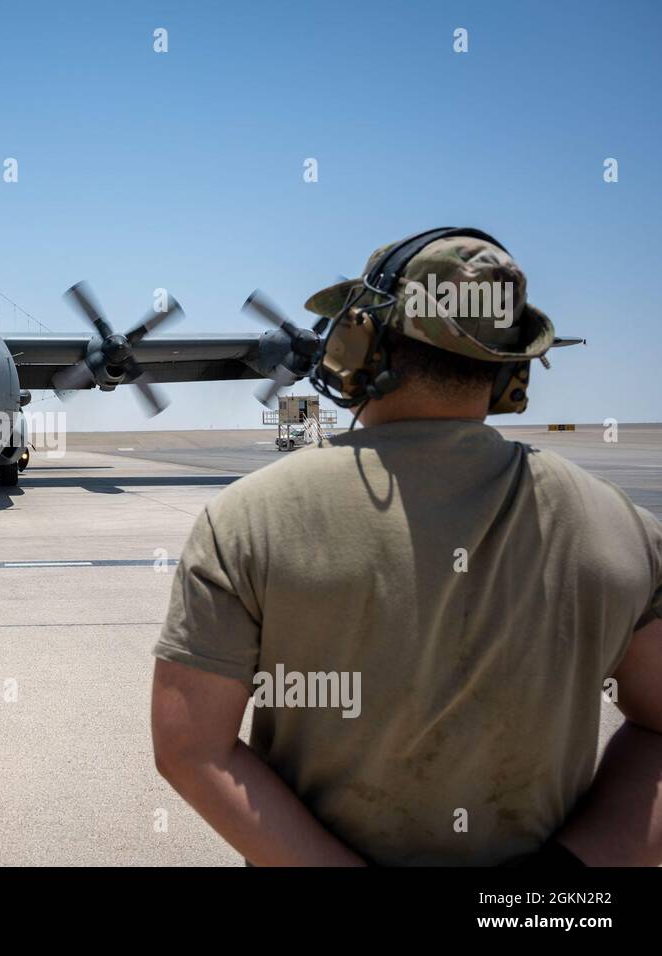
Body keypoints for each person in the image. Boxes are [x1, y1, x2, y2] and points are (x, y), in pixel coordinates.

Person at [150, 231, 662, 866]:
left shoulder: (245, 520)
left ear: (354, 345)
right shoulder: (624, 527)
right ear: (510, 370)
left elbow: (190, 749)